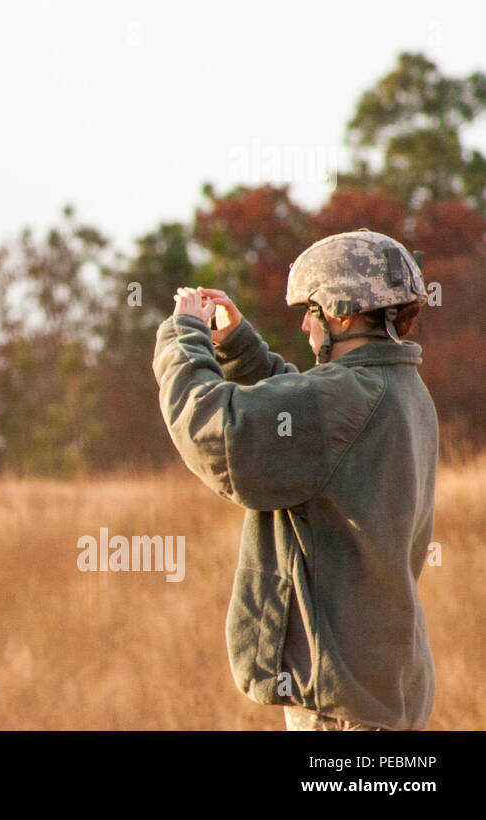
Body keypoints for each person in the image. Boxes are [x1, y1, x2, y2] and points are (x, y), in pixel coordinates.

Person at [152, 230, 436, 731]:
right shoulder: (401, 388)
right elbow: (305, 424)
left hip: (339, 708)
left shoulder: (348, 396)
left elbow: (214, 431)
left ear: (342, 312)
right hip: (384, 689)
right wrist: (240, 347)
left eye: (311, 308)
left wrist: (184, 335)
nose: (305, 323)